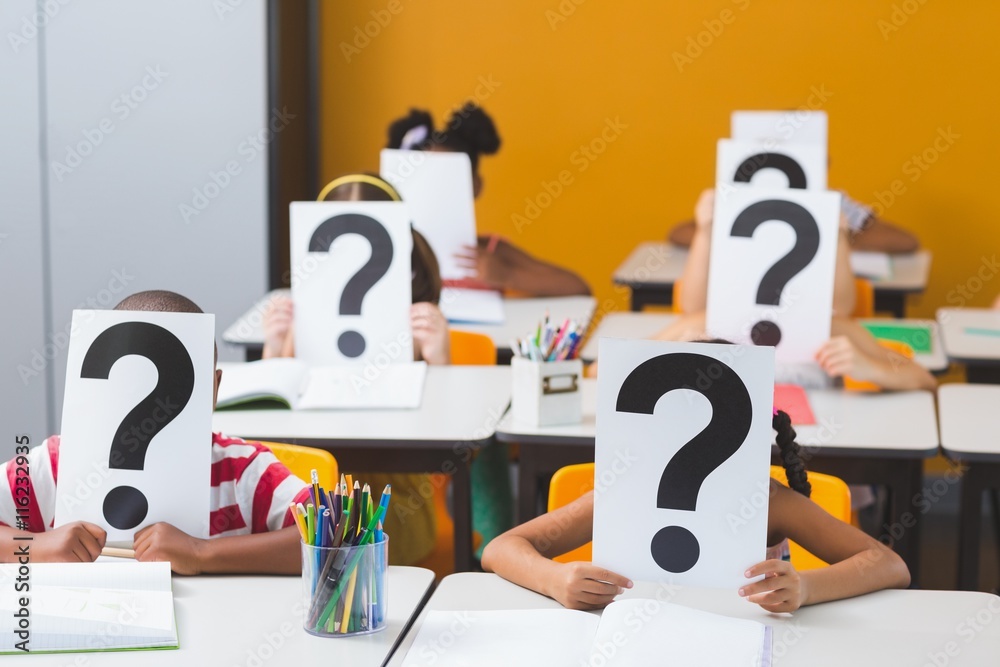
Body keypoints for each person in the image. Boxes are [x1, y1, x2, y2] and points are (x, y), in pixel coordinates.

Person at [0, 290, 310, 574]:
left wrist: (202, 553)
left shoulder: (244, 472)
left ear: (214, 388)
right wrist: (35, 547)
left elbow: (328, 535)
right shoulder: (57, 466)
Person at [482, 408, 911, 612]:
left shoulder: (766, 499)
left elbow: (889, 565)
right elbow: (500, 548)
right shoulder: (625, 492)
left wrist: (807, 589)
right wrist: (554, 578)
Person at [661, 188, 936, 391]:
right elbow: (635, 362)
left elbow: (924, 379)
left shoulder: (830, 329)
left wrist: (868, 367)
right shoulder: (706, 325)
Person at [386, 105, 591, 297]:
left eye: (447, 180)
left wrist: (508, 275)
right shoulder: (389, 254)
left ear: (475, 185)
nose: (435, 193)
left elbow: (577, 287)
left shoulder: (490, 252)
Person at [263, 173, 450, 365]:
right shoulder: (303, 320)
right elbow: (281, 381)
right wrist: (273, 350)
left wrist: (438, 358)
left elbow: (442, 383)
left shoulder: (420, 324)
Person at [668, 191, 919, 254]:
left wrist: (831, 240)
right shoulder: (741, 198)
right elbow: (679, 233)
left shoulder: (831, 200)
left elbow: (905, 241)